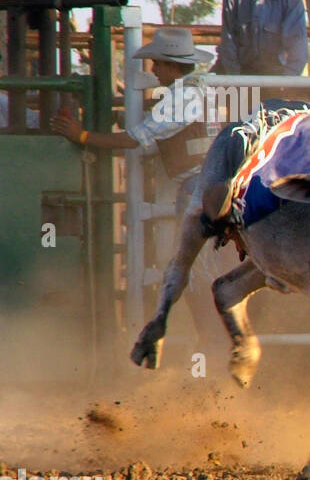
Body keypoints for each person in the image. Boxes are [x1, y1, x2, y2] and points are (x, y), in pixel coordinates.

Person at [50, 28, 229, 344]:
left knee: (195, 274)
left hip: (197, 190)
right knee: (199, 271)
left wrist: (82, 136)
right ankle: (217, 344)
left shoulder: (182, 96)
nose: (154, 71)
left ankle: (215, 346)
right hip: (209, 186)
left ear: (171, 65)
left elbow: (138, 138)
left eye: (157, 64)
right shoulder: (198, 90)